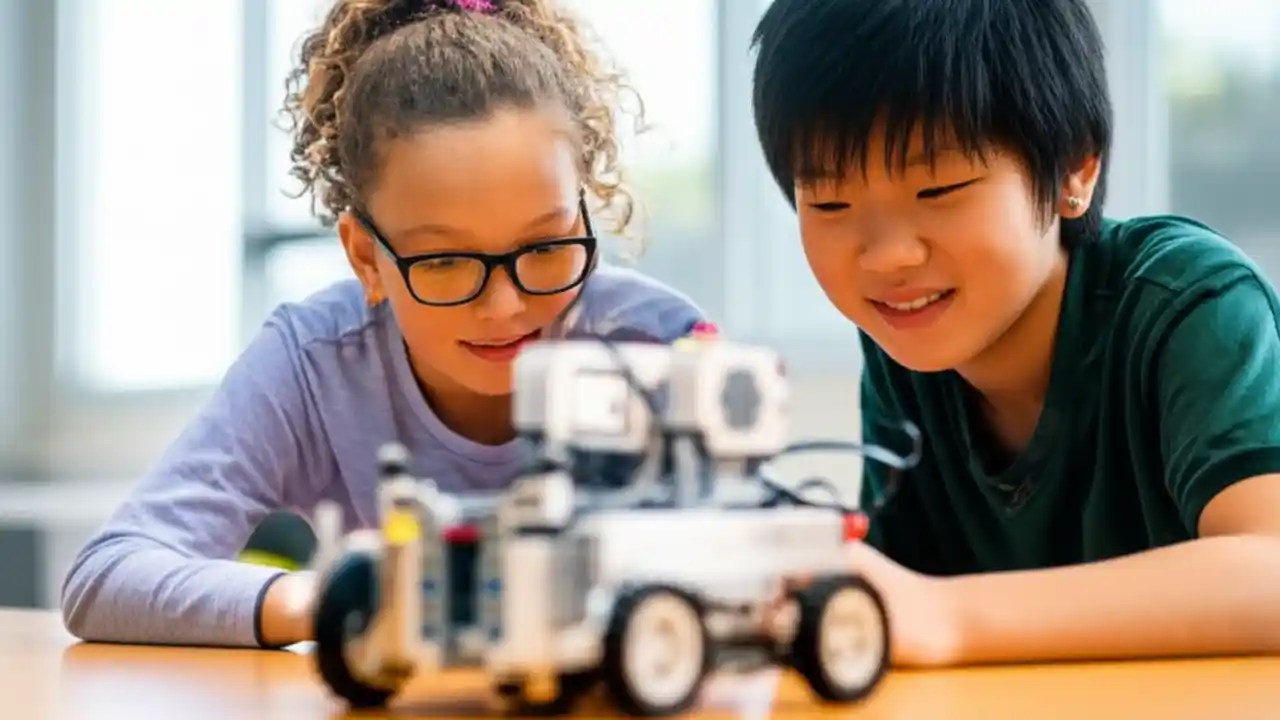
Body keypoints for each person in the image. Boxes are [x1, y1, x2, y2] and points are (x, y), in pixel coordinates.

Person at [61, 0, 705, 649]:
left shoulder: (659, 347)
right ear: (367, 258)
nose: (505, 305)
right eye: (445, 261)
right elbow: (108, 575)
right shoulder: (315, 364)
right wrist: (351, 596)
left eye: (544, 246)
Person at [750, 0, 1280, 667]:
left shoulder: (1190, 302)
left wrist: (947, 617)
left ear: (1074, 170)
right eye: (831, 202)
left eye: (939, 190)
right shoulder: (908, 345)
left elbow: (1271, 569)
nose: (886, 258)